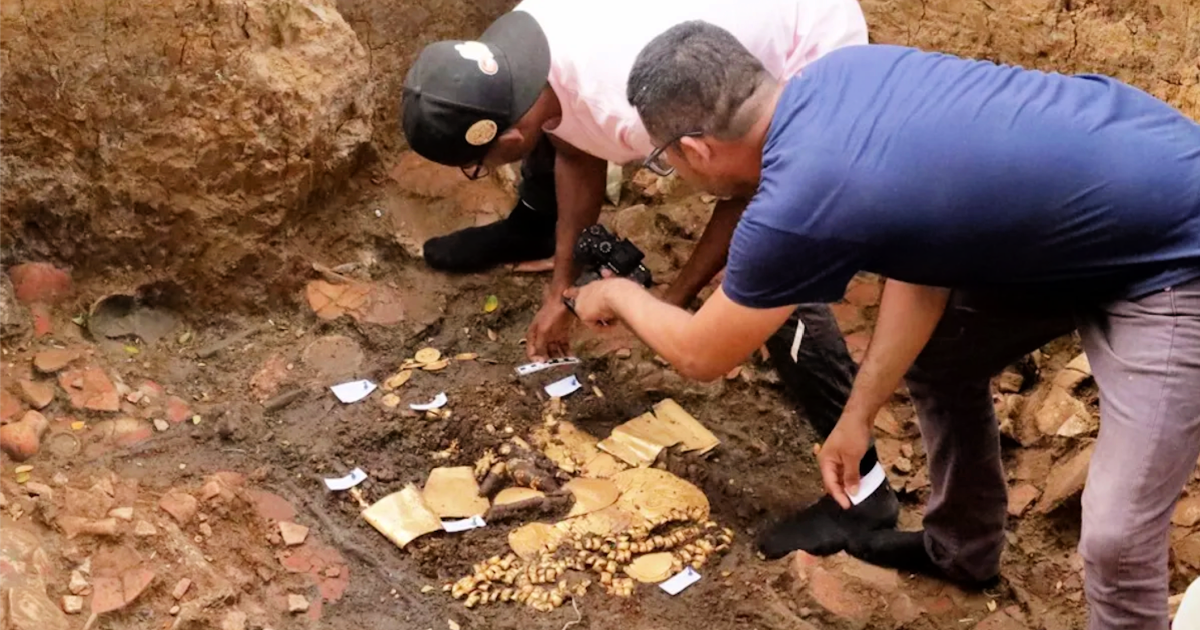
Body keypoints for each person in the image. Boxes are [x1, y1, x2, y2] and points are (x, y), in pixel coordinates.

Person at [569, 21, 1200, 629]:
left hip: (1176, 253)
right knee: (943, 357)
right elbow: (924, 263)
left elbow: (702, 354)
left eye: (664, 160)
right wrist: (857, 416)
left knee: (1117, 538)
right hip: (1111, 189)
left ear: (696, 149)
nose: (673, 171)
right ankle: (963, 548)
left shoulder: (797, 199)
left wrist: (617, 293)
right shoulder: (843, 75)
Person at [401, 0, 904, 559]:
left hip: (806, 42)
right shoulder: (524, 49)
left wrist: (671, 302)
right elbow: (575, 154)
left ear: (514, 139)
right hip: (713, 44)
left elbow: (748, 190)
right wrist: (561, 290)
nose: (475, 173)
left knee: (779, 267)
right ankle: (533, 232)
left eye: (476, 165)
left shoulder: (629, 108)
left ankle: (864, 496)